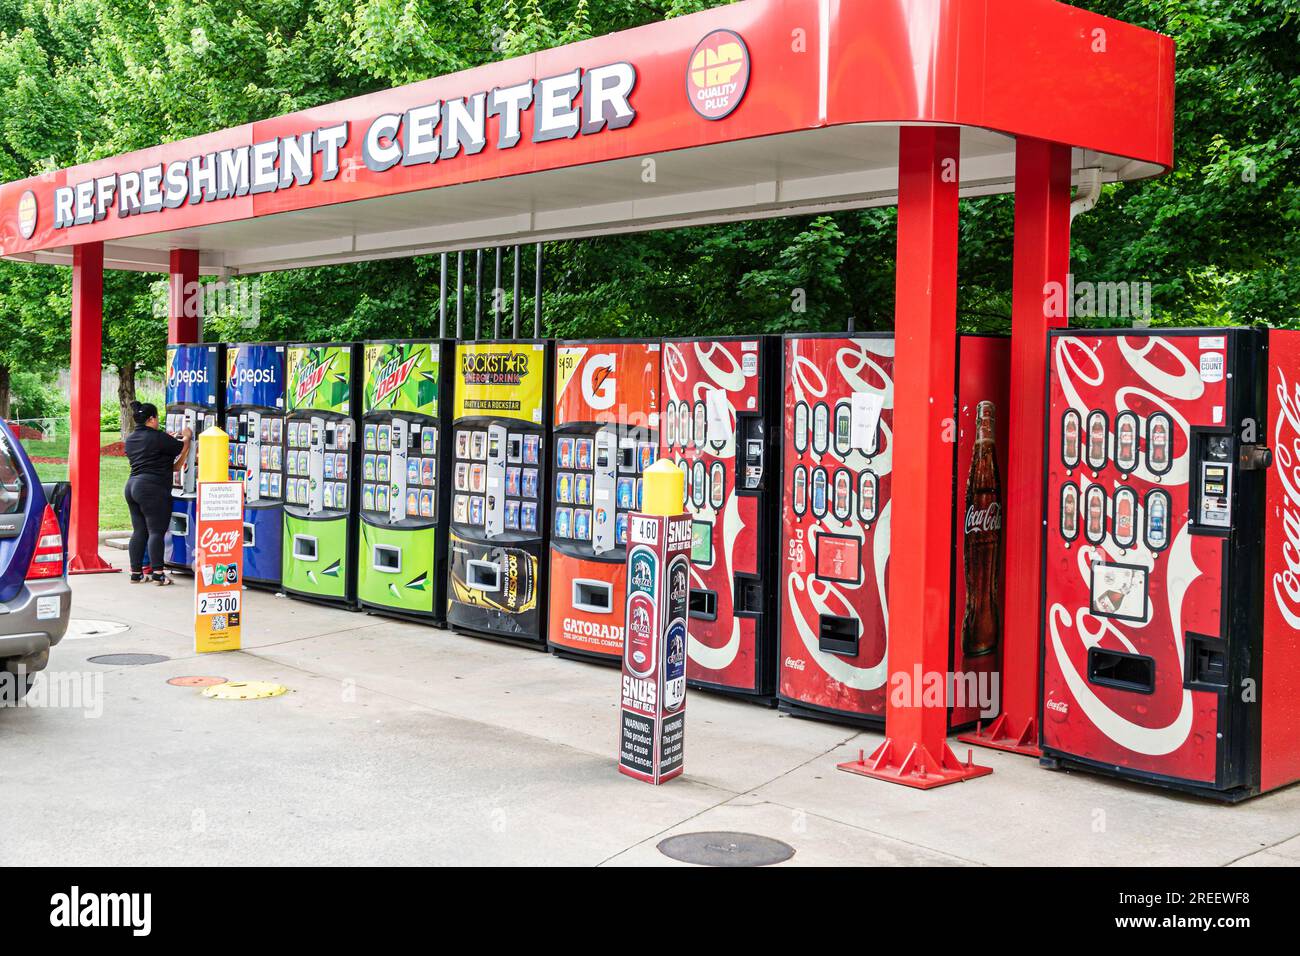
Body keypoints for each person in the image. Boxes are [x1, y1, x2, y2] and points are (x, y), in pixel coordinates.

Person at [123, 402, 192, 584]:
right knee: (156, 531)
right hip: (152, 488)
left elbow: (163, 459)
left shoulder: (130, 439)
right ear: (151, 419)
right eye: (157, 418)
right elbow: (180, 447)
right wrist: (187, 438)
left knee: (139, 531)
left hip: (132, 486)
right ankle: (158, 573)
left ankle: (136, 573)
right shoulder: (158, 437)